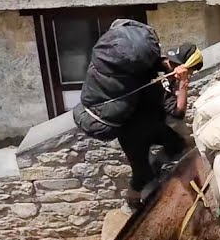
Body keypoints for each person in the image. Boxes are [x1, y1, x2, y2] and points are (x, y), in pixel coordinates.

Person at [74, 21, 201, 209]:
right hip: (134, 134)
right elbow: (178, 111)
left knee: (178, 146)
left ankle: (155, 169)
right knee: (141, 176)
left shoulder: (151, 64)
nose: (189, 76)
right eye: (190, 72)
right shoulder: (160, 80)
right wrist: (183, 84)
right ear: (182, 66)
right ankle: (131, 208)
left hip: (148, 128)